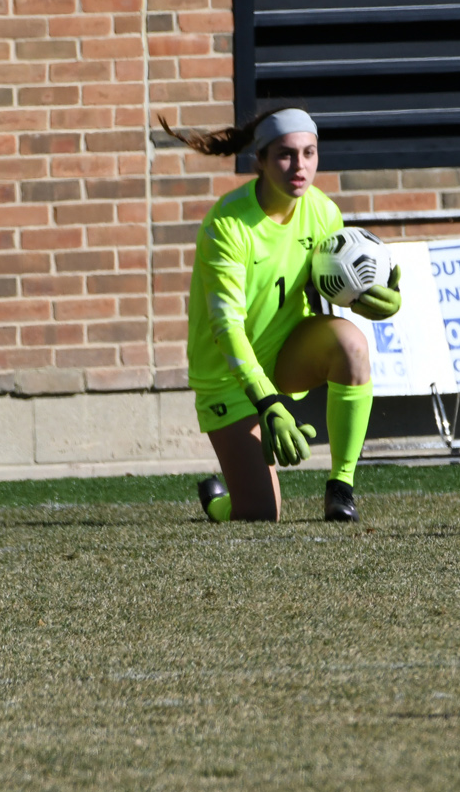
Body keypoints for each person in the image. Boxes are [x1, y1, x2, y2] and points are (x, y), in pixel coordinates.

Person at [161, 108, 403, 522]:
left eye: (309, 153)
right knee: (259, 514)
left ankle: (341, 487)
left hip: (287, 352)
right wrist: (267, 402)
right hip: (228, 374)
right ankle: (218, 502)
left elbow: (331, 284)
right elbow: (226, 328)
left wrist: (376, 298)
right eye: (286, 155)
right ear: (260, 159)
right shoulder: (227, 225)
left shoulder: (324, 212)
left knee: (352, 344)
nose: (300, 166)